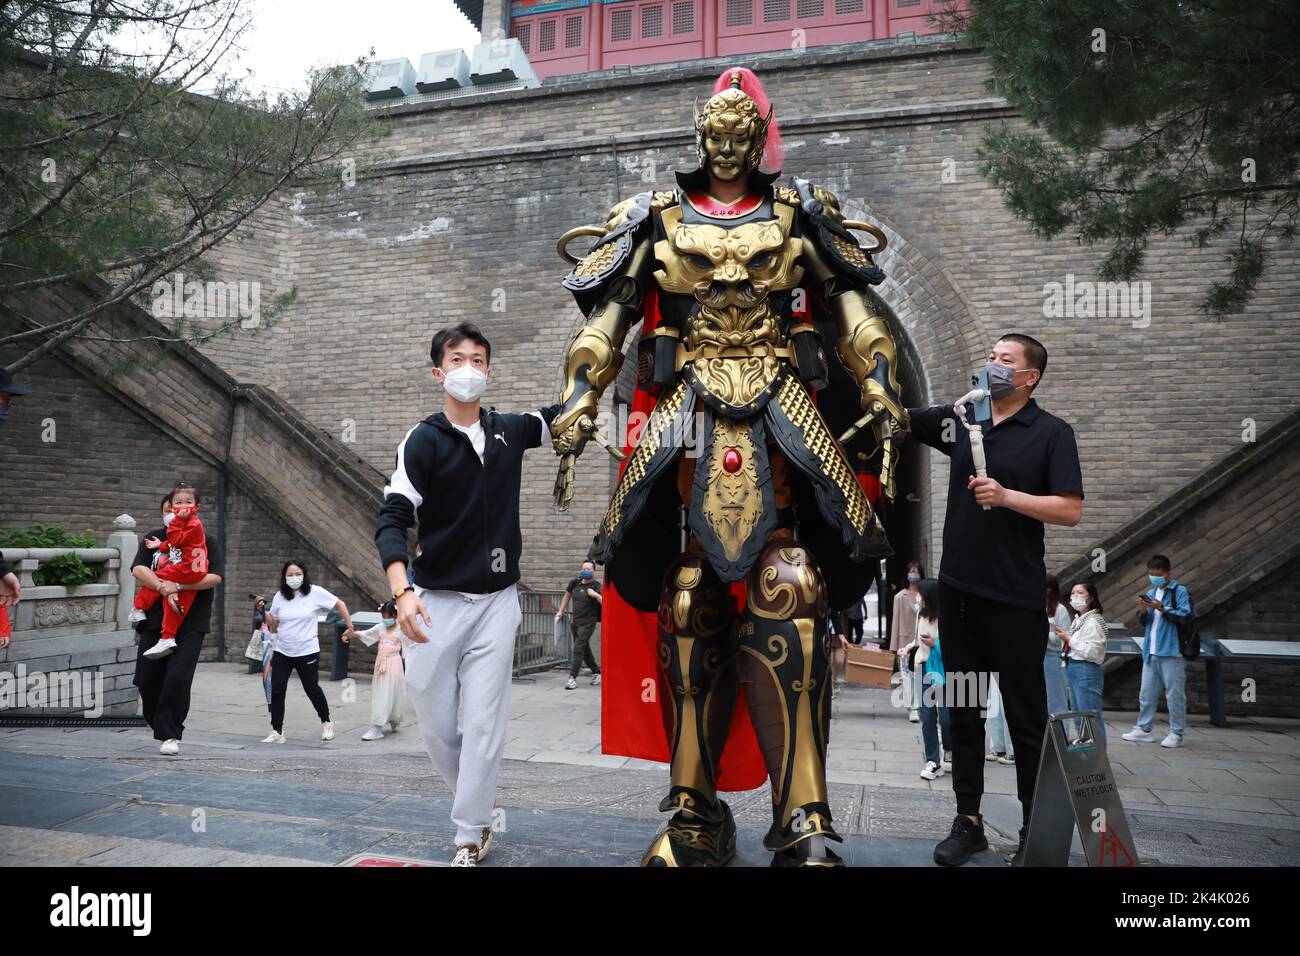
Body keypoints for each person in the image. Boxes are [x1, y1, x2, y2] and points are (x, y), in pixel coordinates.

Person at [548, 67, 908, 867]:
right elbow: (608, 321)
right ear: (700, 133)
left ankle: (802, 812)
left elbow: (851, 307)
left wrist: (880, 377)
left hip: (783, 405)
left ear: (757, 135)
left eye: (744, 130)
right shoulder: (652, 221)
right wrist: (579, 394)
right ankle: (692, 808)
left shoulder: (801, 215)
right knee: (688, 591)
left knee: (795, 582)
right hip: (686, 415)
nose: (729, 141)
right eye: (717, 129)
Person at [376, 321, 560, 867]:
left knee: (485, 722)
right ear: (439, 372)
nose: (468, 369)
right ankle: (475, 799)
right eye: (457, 360)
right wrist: (401, 592)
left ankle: (469, 832)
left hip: (498, 602)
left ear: (489, 369)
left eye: (478, 359)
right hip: (433, 603)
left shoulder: (510, 430)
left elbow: (567, 415)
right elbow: (393, 518)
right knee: (435, 726)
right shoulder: (424, 440)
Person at [906, 333, 1084, 867]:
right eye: (991, 357)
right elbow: (898, 414)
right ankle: (969, 821)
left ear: (1029, 377)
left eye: (1006, 361)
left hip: (1014, 599)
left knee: (1026, 719)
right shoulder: (964, 421)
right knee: (962, 711)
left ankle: (1034, 827)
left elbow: (1070, 509)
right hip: (959, 596)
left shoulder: (1052, 433)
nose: (992, 365)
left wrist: (1007, 496)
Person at [132, 487, 225, 756]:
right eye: (173, 505)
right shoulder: (155, 538)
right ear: (168, 509)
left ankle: (170, 733)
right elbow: (138, 569)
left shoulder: (206, 540)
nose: (178, 509)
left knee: (178, 677)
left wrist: (179, 583)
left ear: (195, 507)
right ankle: (160, 724)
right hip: (154, 620)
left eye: (187, 503)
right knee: (146, 680)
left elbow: (214, 576)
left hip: (190, 622)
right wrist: (164, 587)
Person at [262, 560, 355, 744]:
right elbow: (272, 622)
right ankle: (277, 729)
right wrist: (262, 610)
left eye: (297, 574)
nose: (294, 578)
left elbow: (340, 604)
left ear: (304, 575)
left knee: (311, 688)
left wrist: (350, 627)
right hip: (283, 650)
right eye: (290, 575)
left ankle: (326, 721)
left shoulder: (315, 592)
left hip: (307, 651)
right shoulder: (280, 596)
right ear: (284, 577)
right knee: (278, 689)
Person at [131, 485, 209, 660]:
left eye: (188, 503)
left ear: (197, 507)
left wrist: (176, 521)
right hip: (194, 570)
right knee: (173, 601)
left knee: (156, 577)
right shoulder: (191, 524)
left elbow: (175, 539)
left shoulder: (191, 524)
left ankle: (138, 607)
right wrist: (160, 545)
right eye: (178, 503)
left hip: (187, 570)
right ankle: (167, 637)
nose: (182, 507)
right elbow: (178, 544)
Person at [1122, 554, 1192, 749]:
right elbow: (1146, 622)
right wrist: (1144, 610)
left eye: (1158, 574)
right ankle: (1144, 729)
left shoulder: (1179, 591)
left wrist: (1162, 607)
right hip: (1151, 650)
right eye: (1151, 574)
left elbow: (1186, 616)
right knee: (1146, 693)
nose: (1154, 577)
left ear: (1168, 574)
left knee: (1174, 694)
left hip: (1171, 650)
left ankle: (1176, 733)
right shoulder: (1151, 592)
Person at [907, 579, 951, 779]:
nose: (919, 598)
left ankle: (949, 750)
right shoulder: (920, 616)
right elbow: (917, 641)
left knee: (946, 717)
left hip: (941, 670)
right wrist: (908, 647)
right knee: (927, 716)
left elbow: (953, 645)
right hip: (923, 668)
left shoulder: (946, 616)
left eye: (922, 595)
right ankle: (932, 760)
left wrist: (935, 644)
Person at [346, 600, 408, 741]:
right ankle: (377, 726)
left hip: (394, 664)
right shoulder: (380, 627)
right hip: (381, 664)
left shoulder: (402, 629)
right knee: (381, 693)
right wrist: (352, 634)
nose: (386, 619)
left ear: (396, 615)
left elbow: (410, 646)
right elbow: (366, 634)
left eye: (389, 616)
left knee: (393, 691)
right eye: (384, 616)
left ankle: (392, 718)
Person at [1059, 581, 1108, 745]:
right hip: (1074, 668)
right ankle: (1086, 757)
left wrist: (1068, 639)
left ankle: (1098, 758)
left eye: (1080, 593)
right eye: (1073, 593)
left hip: (1086, 670)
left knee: (1090, 718)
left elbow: (1092, 652)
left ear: (1091, 597)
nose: (1075, 596)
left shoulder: (1094, 621)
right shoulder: (1080, 619)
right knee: (1080, 718)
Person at [556, 560, 602, 689]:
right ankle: (596, 672)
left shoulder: (596, 586)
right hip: (575, 621)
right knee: (583, 648)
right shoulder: (575, 582)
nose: (586, 571)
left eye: (589, 569)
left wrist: (595, 595)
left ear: (594, 571)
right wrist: (560, 611)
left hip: (589, 622)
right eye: (584, 569)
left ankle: (572, 678)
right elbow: (567, 596)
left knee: (578, 648)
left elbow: (606, 602)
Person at [891, 562, 924, 719]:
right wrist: (893, 646)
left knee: (918, 674)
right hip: (903, 641)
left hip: (920, 642)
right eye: (911, 571)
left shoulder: (925, 596)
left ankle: (916, 707)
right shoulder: (899, 597)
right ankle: (911, 708)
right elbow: (895, 623)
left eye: (917, 572)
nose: (914, 574)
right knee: (906, 676)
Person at [1044, 574, 1071, 716]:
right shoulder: (1039, 606)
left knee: (1056, 698)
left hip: (1054, 656)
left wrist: (1044, 633)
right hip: (1040, 656)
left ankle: (1061, 733)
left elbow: (1065, 637)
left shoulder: (1060, 610)